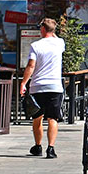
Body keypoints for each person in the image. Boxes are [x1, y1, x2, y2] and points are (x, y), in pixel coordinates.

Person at [20, 18, 66, 157]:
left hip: (37, 86)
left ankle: (38, 145)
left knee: (37, 118)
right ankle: (51, 148)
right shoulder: (60, 43)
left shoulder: (36, 45)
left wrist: (23, 83)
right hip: (55, 86)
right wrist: (52, 30)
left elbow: (31, 65)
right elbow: (54, 36)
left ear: (42, 29)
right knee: (53, 118)